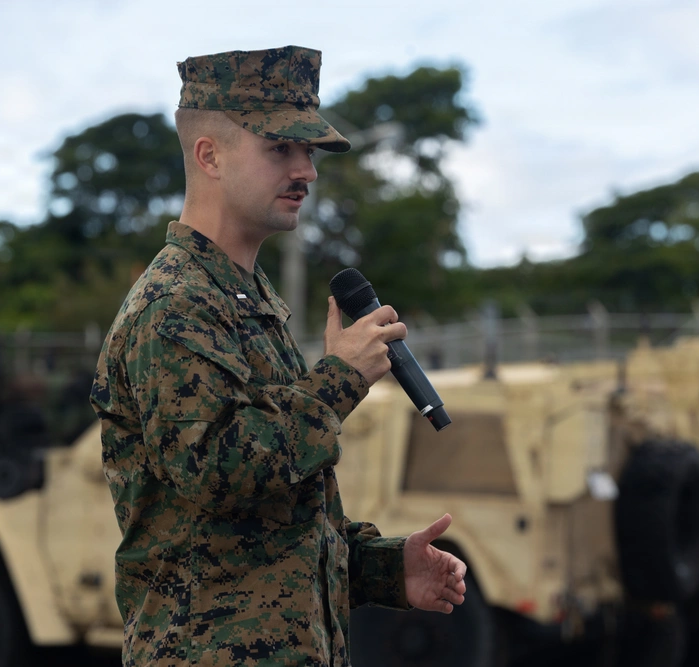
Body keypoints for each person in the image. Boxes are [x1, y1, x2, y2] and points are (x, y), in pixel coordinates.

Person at [90, 45, 468, 667]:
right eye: (280, 148)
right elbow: (218, 471)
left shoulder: (244, 297)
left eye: (309, 152)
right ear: (209, 156)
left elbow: (263, 530)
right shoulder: (176, 305)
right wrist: (338, 381)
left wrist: (385, 569)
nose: (306, 171)